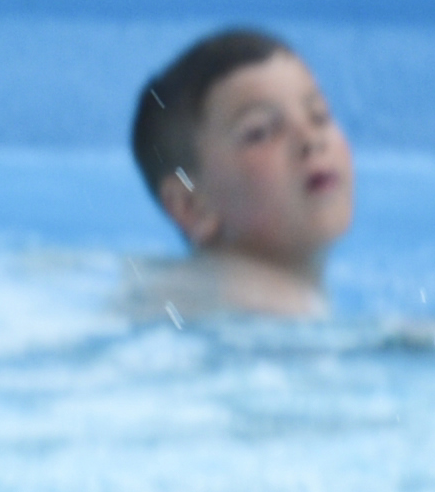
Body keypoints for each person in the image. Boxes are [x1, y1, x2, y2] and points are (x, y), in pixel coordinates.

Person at [127, 29, 354, 320]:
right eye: (260, 132)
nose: (310, 139)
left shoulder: (178, 290)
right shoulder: (267, 301)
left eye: (319, 116)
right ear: (191, 204)